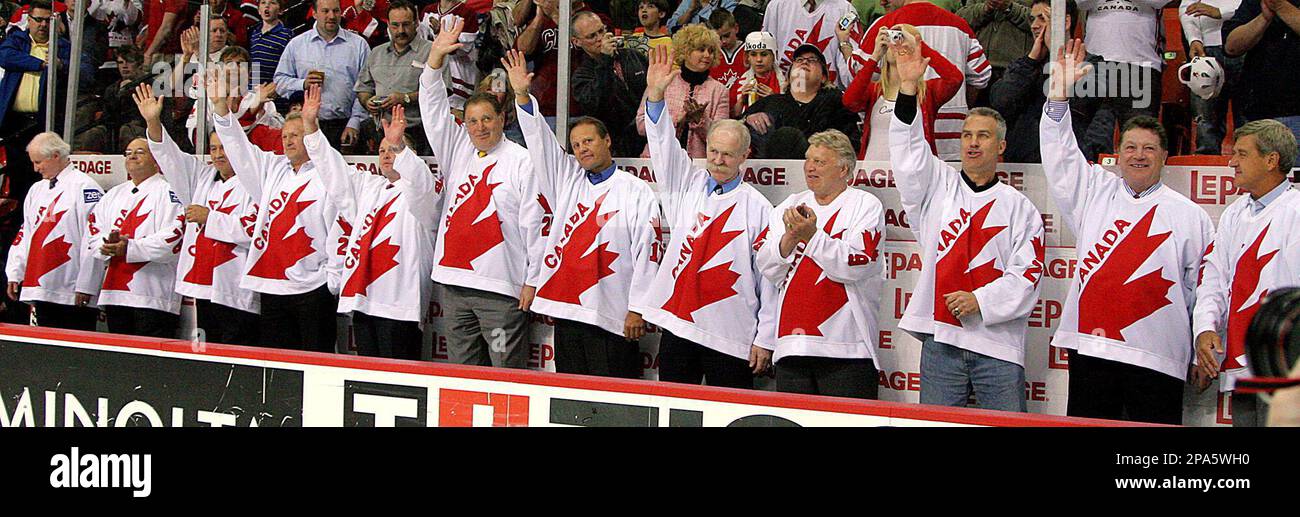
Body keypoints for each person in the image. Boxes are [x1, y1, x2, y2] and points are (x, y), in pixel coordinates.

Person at [1041, 40, 1215, 424]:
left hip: (1159, 356)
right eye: (1131, 147)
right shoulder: (1093, 191)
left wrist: (1201, 341)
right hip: (1092, 348)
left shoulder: (1191, 216)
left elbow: (1203, 289)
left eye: (1149, 149)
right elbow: (1059, 154)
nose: (1138, 155)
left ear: (1165, 156)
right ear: (1117, 154)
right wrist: (1058, 96)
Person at [889, 36, 1044, 412]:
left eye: (983, 136)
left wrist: (981, 300)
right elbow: (908, 152)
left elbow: (1027, 274)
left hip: (998, 346)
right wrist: (908, 87)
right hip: (941, 341)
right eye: (967, 135)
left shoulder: (1020, 208)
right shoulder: (936, 185)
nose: (972, 143)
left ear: (1001, 147)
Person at [506, 48, 665, 379]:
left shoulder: (635, 190)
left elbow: (648, 253)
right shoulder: (567, 180)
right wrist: (522, 95)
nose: (582, 149)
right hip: (569, 311)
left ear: (607, 141)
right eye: (576, 145)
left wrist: (637, 308)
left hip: (612, 315)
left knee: (613, 397)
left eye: (589, 141)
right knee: (570, 395)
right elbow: (539, 141)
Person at [632, 44, 777, 388]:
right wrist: (656, 96)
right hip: (680, 324)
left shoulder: (759, 208)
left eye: (727, 154)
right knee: (673, 407)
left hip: (730, 333)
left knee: (729, 412)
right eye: (713, 151)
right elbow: (664, 146)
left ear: (745, 155)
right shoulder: (687, 183)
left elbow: (769, 279)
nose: (718, 160)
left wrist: (766, 337)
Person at [421, 20, 541, 368]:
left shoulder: (522, 161)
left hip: (500, 292)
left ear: (502, 119)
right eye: (472, 121)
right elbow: (432, 108)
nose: (479, 127)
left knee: (505, 371)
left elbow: (534, 224)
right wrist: (434, 59)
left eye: (487, 119)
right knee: (462, 372)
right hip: (454, 286)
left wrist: (532, 280)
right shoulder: (457, 149)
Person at [211, 69, 344, 353]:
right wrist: (221, 108)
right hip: (272, 285)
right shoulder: (273, 168)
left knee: (315, 361)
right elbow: (239, 148)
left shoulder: (330, 173)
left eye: (296, 135)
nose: (288, 140)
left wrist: (331, 281)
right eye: (285, 135)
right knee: (276, 365)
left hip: (313, 287)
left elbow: (339, 228)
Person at [304, 88, 440, 359]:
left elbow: (420, 185)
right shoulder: (370, 187)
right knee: (367, 376)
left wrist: (400, 146)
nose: (387, 154)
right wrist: (311, 127)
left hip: (399, 305)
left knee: (399, 376)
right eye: (382, 150)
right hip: (364, 299)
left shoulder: (424, 190)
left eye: (394, 149)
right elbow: (334, 170)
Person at [755, 129, 885, 398]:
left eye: (820, 162)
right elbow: (767, 267)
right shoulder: (790, 205)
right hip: (792, 345)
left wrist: (812, 236)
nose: (810, 167)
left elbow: (858, 264)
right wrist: (791, 238)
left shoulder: (865, 205)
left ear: (844, 169)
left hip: (847, 348)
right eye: (808, 159)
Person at [137, 83, 262, 347]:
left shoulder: (256, 182)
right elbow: (170, 156)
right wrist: (153, 123)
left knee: (239, 353)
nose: (218, 154)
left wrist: (210, 218)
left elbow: (255, 229)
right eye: (213, 149)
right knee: (211, 352)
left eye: (224, 148)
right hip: (204, 283)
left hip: (237, 288)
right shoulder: (201, 177)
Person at [1194, 118, 1300, 427]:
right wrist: (1205, 328)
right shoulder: (1234, 213)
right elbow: (1214, 277)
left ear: (1271, 160)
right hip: (1242, 362)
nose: (1232, 162)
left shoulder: (1296, 212)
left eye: (1242, 154)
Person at [856, 0, 990, 160]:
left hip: (894, 138)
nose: (882, 2)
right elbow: (980, 75)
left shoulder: (884, 25)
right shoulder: (960, 25)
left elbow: (858, 73)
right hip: (953, 135)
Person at [82, 138, 185, 339]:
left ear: (156, 159)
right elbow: (93, 230)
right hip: (115, 293)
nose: (132, 156)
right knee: (120, 354)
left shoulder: (171, 192)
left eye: (140, 152)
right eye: (128, 153)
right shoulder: (113, 194)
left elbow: (174, 238)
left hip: (153, 294)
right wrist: (106, 245)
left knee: (150, 355)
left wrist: (129, 248)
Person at [990, 0, 1113, 163]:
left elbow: (1084, 103)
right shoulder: (1025, 65)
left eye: (1042, 18)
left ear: (1066, 22)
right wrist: (1030, 61)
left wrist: (1057, 56)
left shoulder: (1093, 64)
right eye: (1032, 19)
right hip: (1025, 164)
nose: (1034, 25)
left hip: (1071, 163)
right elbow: (1000, 102)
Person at [4, 132, 103, 331]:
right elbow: (26, 233)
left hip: (72, 288)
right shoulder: (36, 190)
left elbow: (94, 239)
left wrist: (87, 284)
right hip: (41, 284)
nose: (35, 168)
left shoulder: (85, 187)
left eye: (38, 162)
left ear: (56, 156)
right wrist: (15, 272)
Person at [842, 24, 961, 160]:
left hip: (914, 170)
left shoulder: (928, 91)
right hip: (873, 170)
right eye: (893, 37)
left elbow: (955, 79)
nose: (898, 45)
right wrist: (875, 57)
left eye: (903, 39)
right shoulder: (874, 90)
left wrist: (919, 47)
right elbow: (849, 101)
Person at [274, 0, 371, 152]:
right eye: (325, 11)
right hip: (306, 126)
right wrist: (302, 84)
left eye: (336, 11)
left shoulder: (359, 45)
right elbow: (279, 82)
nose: (331, 16)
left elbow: (366, 88)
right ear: (314, 13)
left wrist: (354, 123)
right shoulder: (296, 45)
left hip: (346, 127)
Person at [741, 44, 861, 158]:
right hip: (772, 170)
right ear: (789, 76)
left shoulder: (838, 104)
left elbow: (851, 147)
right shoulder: (769, 102)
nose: (804, 62)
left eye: (812, 60)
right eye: (799, 60)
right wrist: (747, 120)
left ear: (823, 77)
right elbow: (737, 133)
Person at [635, 23, 730, 159]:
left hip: (698, 166)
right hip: (657, 161)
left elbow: (722, 139)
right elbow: (641, 126)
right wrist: (676, 121)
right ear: (685, 51)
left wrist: (701, 120)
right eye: (701, 49)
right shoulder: (664, 81)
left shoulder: (720, 91)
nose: (707, 55)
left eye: (711, 51)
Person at [356, 0, 432, 154]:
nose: (401, 30)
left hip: (420, 132)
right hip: (379, 131)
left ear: (416, 23)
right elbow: (363, 88)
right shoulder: (376, 53)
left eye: (406, 24)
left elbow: (441, 91)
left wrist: (405, 98)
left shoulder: (431, 51)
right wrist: (367, 102)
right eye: (395, 25)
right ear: (388, 25)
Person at [571, 9, 649, 157]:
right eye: (592, 36)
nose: (600, 38)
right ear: (577, 42)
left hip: (648, 139)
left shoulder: (634, 56)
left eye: (601, 31)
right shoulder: (581, 76)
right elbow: (597, 104)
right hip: (614, 147)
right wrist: (605, 60)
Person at [1077, 0, 1167, 125]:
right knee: (1092, 133)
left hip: (1141, 66)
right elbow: (1081, 3)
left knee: (1140, 131)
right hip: (1095, 67)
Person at [1225, 0, 1300, 149]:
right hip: (1256, 112)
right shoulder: (1259, 2)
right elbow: (1231, 47)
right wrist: (1264, 19)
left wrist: (1281, 7)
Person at [1181, 0, 1244, 155]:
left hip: (1245, 43)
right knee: (1205, 120)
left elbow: (1260, 6)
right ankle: (1205, 162)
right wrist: (1194, 39)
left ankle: (1249, 158)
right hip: (1206, 49)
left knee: (1247, 117)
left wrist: (1221, 12)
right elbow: (1187, 8)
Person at [955, 0, 1032, 108]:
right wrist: (985, 8)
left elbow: (1044, 21)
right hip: (978, 72)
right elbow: (960, 20)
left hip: (1015, 73)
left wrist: (1009, 8)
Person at [761, 0, 855, 85]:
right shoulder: (777, 5)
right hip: (781, 93)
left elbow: (852, 77)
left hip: (828, 95)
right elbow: (763, 59)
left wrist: (845, 44)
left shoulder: (845, 9)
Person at [729, 31, 784, 117]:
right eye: (753, 54)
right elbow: (732, 117)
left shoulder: (786, 83)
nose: (758, 59)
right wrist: (741, 101)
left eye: (764, 54)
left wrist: (774, 100)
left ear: (774, 56)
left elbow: (791, 117)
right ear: (748, 57)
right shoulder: (739, 84)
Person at [248, 0, 293, 87]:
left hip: (274, 88)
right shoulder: (254, 33)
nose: (267, 6)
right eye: (263, 2)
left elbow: (289, 65)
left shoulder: (287, 34)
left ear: (280, 10)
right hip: (254, 87)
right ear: (259, 10)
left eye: (272, 3)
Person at [707, 9, 745, 91]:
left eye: (727, 35)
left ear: (736, 28)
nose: (723, 41)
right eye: (718, 37)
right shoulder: (709, 54)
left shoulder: (749, 52)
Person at [139, 0, 187, 65]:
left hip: (166, 54)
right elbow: (155, 21)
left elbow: (166, 28)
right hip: (152, 51)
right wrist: (142, 42)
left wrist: (149, 53)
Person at [671, 0, 737, 33]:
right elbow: (671, 27)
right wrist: (689, 11)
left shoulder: (728, 3)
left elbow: (724, 28)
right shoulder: (688, 1)